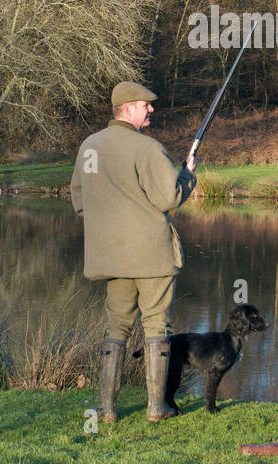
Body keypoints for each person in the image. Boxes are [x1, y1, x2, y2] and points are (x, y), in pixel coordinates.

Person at [70, 81, 198, 422]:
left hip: (111, 257)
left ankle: (106, 410)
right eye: (146, 105)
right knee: (157, 324)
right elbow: (168, 198)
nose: (151, 110)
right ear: (127, 108)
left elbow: (79, 199)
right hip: (152, 256)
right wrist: (187, 176)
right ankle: (157, 408)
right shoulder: (147, 149)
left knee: (117, 327)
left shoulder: (90, 147)